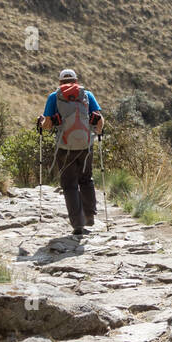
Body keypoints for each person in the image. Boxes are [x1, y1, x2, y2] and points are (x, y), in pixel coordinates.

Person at [37, 69, 104, 236]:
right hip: (86, 145)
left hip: (64, 147)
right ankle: (89, 215)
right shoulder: (87, 95)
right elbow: (99, 119)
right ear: (76, 80)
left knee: (69, 185)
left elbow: (48, 125)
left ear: (60, 82)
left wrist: (41, 121)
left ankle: (78, 224)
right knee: (86, 179)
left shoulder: (55, 97)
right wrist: (98, 131)